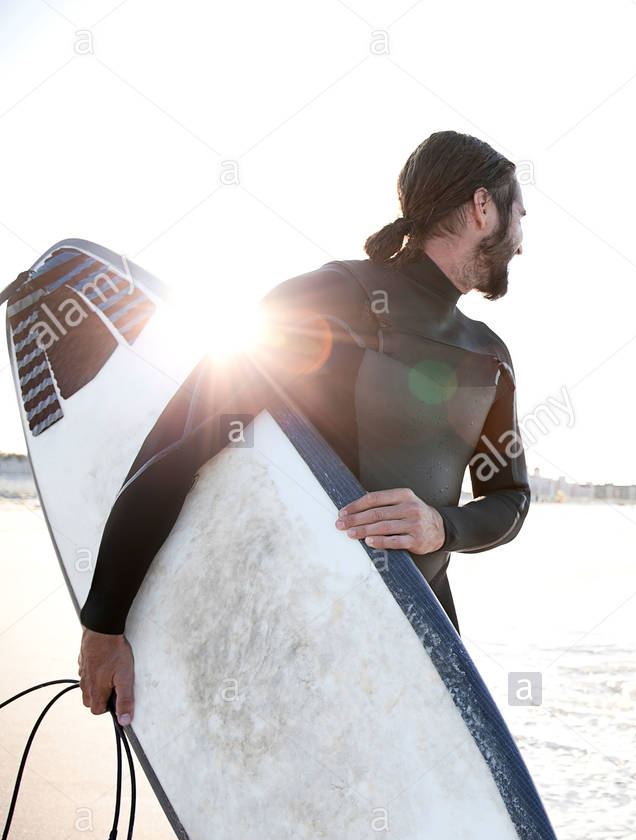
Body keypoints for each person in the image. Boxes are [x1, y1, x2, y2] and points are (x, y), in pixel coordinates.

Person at [77, 131, 529, 727]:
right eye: (520, 215)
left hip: (420, 647)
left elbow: (510, 498)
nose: (522, 244)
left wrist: (441, 526)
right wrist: (104, 627)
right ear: (482, 207)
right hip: (290, 640)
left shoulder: (490, 356)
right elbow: (179, 448)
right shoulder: (329, 298)